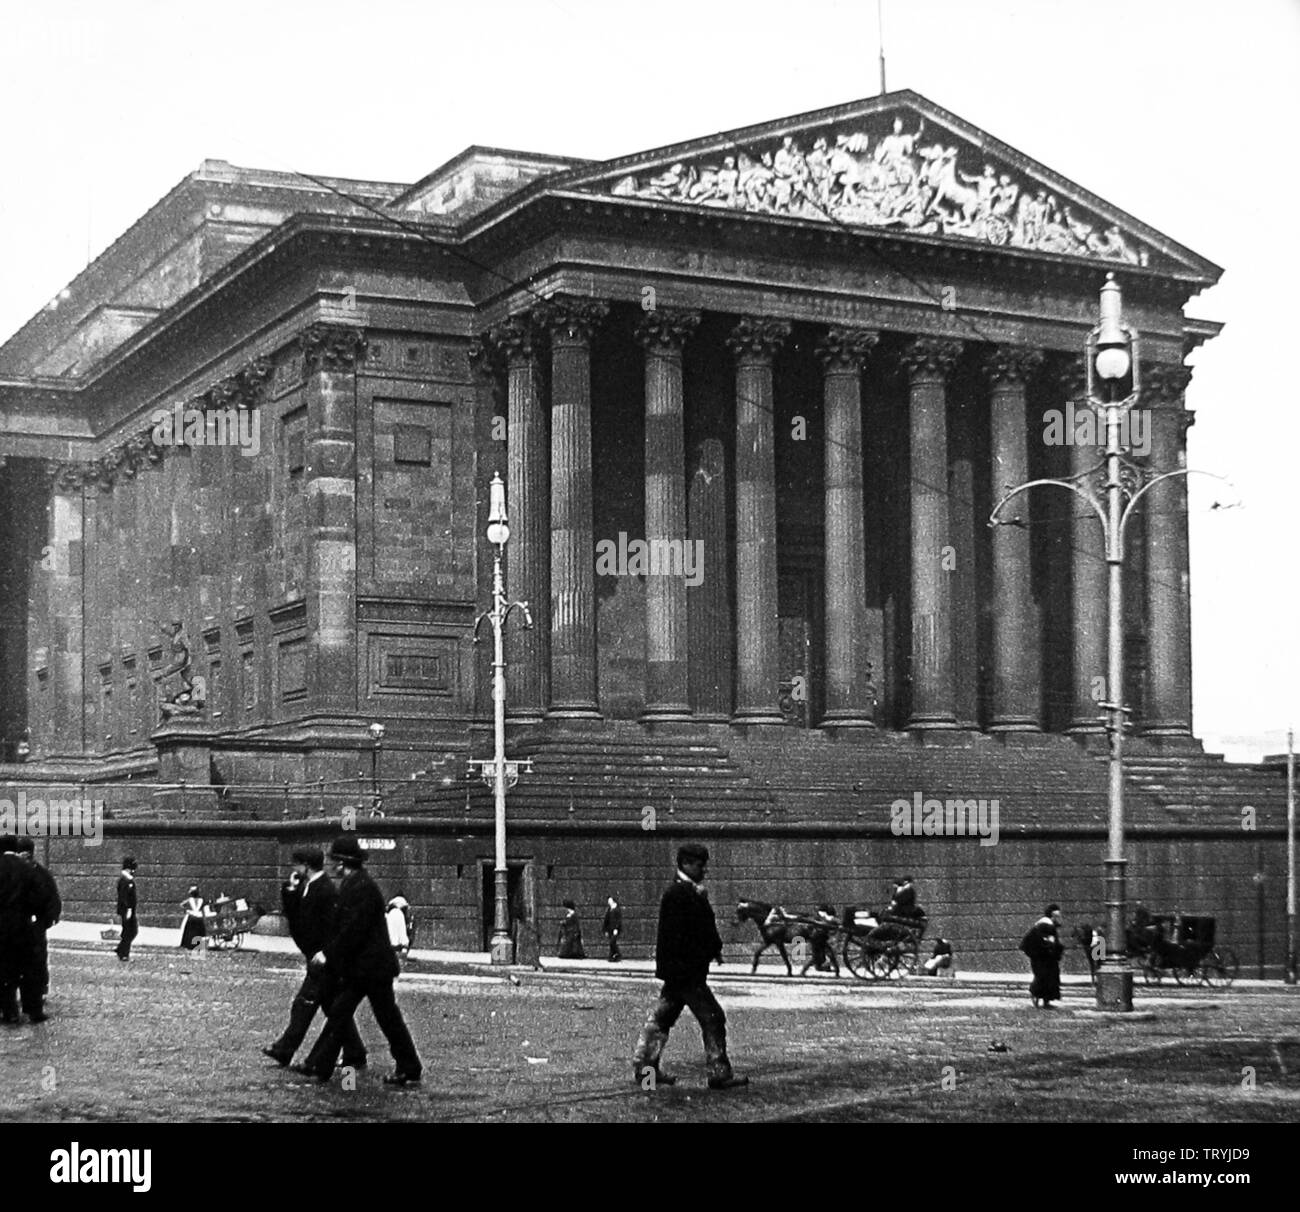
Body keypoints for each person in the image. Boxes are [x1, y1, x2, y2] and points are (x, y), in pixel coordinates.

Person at [296, 837, 422, 1086]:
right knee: (357, 1014)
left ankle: (319, 1065)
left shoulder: (360, 888)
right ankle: (319, 1064)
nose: (331, 866)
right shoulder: (356, 884)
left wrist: (328, 954)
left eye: (334, 861)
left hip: (370, 969)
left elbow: (352, 930)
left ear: (343, 864)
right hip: (367, 968)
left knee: (363, 1015)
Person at [632, 843, 747, 1091]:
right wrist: (701, 956)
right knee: (714, 1017)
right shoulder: (678, 894)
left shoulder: (689, 891)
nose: (704, 869)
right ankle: (719, 1073)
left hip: (680, 973)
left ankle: (646, 1071)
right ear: (685, 864)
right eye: (699, 864)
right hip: (687, 973)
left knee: (661, 1020)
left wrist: (712, 949)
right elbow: (681, 936)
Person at [264, 846, 367, 1070]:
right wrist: (290, 891)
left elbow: (333, 928)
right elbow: (296, 919)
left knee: (304, 1005)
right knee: (332, 1008)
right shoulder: (307, 886)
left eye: (296, 864)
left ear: (305, 866)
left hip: (323, 960)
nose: (294, 868)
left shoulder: (325, 891)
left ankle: (284, 1050)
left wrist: (326, 954)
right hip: (316, 956)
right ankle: (355, 1053)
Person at [16, 837, 60, 1018]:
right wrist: (45, 921)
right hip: (34, 926)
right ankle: (36, 997)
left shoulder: (16, 871)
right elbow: (53, 899)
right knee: (35, 962)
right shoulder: (41, 873)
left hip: (22, 925)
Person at [0, 835, 38, 1024]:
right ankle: (29, 1008)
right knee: (24, 968)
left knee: (3, 969)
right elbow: (36, 897)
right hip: (22, 926)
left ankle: (8, 1009)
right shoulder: (27, 868)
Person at [1020, 904, 1065, 1008]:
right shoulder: (1047, 926)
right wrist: (1056, 950)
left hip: (1040, 957)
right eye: (1057, 916)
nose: (1059, 919)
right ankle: (1043, 999)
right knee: (1046, 978)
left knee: (1043, 977)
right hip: (1045, 958)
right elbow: (1050, 943)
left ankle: (1043, 999)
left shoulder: (1041, 925)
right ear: (1053, 916)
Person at [800, 903, 840, 977]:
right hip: (816, 939)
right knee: (816, 958)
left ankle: (837, 972)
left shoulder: (821, 916)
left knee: (828, 955)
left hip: (821, 939)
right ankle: (804, 971)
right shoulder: (822, 917)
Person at [115, 856, 139, 961]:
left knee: (128, 931)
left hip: (128, 910)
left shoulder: (125, 879)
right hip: (128, 910)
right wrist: (128, 909)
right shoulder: (126, 880)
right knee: (131, 931)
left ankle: (121, 949)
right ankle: (124, 953)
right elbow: (125, 897)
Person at [602, 894, 623, 963]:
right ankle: (612, 956)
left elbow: (618, 920)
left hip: (615, 929)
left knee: (612, 942)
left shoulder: (617, 909)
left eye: (610, 900)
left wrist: (616, 929)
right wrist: (605, 929)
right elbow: (606, 920)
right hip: (610, 928)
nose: (609, 901)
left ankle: (618, 954)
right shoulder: (609, 909)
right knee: (612, 942)